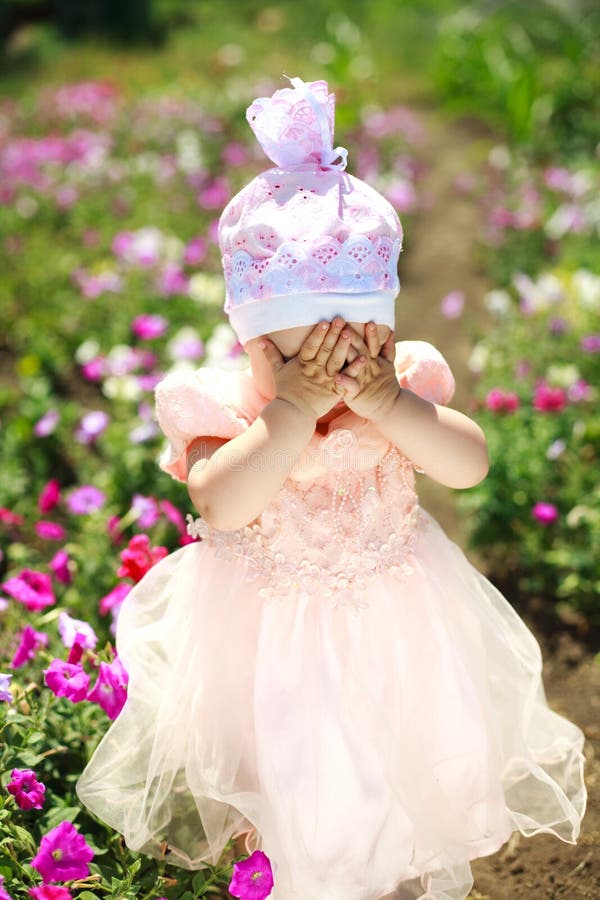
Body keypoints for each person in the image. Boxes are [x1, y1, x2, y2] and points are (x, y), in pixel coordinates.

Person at [76, 77, 587, 900]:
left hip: (396, 630)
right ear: (251, 344)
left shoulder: (398, 391)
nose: (336, 371)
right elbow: (220, 502)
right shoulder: (231, 409)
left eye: (358, 344)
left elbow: (469, 465)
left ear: (388, 328)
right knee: (293, 791)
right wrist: (286, 419)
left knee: (392, 776)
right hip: (270, 648)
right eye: (302, 356)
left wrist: (390, 402)